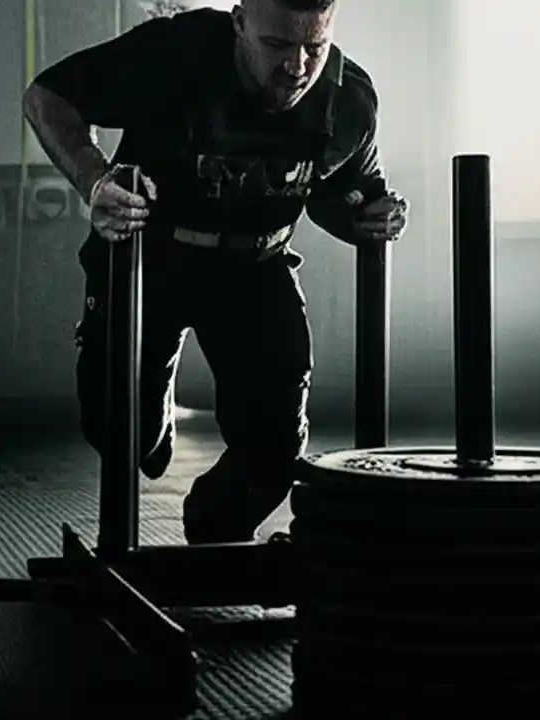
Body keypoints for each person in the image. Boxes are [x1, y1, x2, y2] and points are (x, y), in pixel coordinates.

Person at [23, 0, 409, 544]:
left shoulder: (346, 101)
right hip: (150, 260)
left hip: (255, 270)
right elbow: (46, 96)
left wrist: (371, 217)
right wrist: (95, 180)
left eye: (314, 47)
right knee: (120, 432)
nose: (296, 67)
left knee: (275, 445)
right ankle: (150, 421)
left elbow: (343, 194)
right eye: (277, 45)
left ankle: (215, 536)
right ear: (240, 22)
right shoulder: (175, 54)